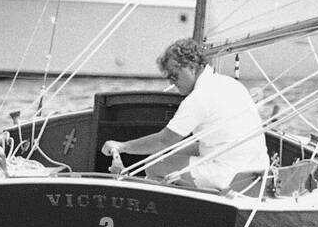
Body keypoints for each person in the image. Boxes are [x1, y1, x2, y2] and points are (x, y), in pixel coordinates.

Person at [100, 38, 270, 191]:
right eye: (169, 78)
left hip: (228, 172)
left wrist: (122, 147)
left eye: (175, 76)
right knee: (161, 157)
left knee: (153, 167)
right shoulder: (230, 84)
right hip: (257, 168)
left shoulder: (199, 98)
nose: (172, 82)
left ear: (192, 67)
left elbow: (163, 140)